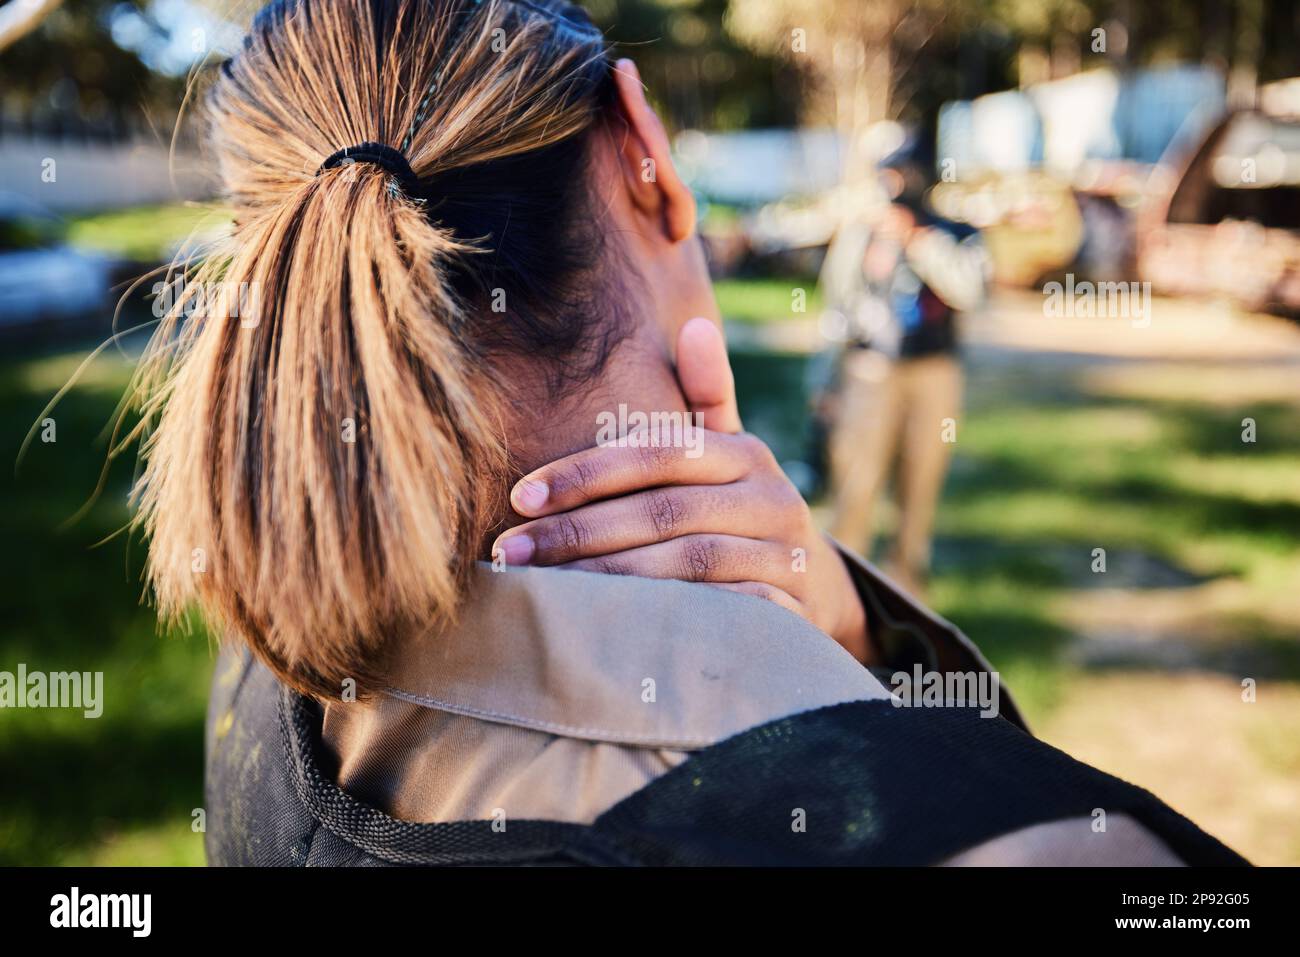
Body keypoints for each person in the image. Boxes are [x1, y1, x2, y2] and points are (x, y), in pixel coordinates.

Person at [134, 0, 1244, 866]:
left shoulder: (281, 632)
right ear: (648, 159)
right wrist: (847, 684)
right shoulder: (1016, 844)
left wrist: (841, 639)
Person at [823, 156, 987, 599]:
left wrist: (918, 240)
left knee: (919, 487)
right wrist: (825, 383)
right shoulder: (861, 233)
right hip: (869, 370)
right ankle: (843, 597)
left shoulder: (955, 233)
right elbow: (836, 309)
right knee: (855, 485)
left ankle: (906, 599)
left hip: (933, 372)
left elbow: (970, 292)